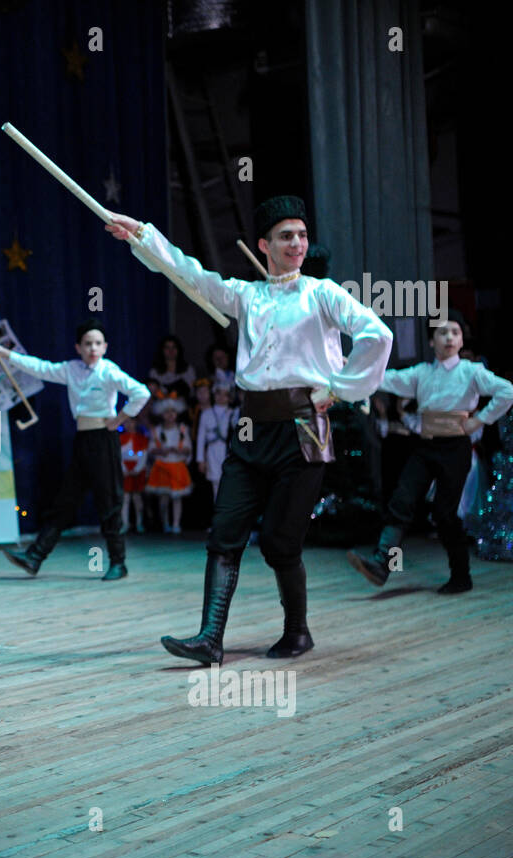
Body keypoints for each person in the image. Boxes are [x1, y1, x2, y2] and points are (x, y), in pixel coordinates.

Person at [105, 195, 393, 662]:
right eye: (285, 236)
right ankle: (209, 639)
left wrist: (340, 388)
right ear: (265, 244)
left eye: (301, 235)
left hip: (308, 424)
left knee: (282, 540)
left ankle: (297, 632)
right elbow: (190, 274)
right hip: (252, 424)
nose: (296, 243)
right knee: (224, 530)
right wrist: (142, 235)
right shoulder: (247, 295)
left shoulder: (323, 293)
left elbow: (377, 334)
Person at [346, 316, 513, 594]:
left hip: (455, 449)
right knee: (402, 500)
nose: (449, 338)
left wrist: (481, 420)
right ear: (431, 341)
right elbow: (384, 379)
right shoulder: (421, 373)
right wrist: (353, 367)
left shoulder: (471, 372)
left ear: (461, 340)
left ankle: (461, 575)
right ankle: (381, 564)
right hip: (426, 447)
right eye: (442, 333)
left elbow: (508, 391)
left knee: (444, 514)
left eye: (454, 332)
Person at [0, 318, 150, 581]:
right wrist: (5, 354)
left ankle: (118, 563)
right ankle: (35, 556)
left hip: (103, 439)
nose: (92, 348)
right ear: (78, 347)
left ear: (105, 346)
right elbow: (40, 368)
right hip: (83, 441)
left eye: (98, 343)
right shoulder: (70, 369)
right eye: (87, 344)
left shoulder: (109, 371)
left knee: (109, 502)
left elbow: (140, 393)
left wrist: (120, 419)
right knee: (65, 502)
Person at [145, 396, 192, 533]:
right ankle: (165, 523)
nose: (170, 415)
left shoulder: (182, 429)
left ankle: (176, 523)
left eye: (173, 412)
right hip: (162, 465)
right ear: (162, 414)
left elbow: (188, 447)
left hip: (177, 464)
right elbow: (151, 449)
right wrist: (161, 450)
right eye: (167, 412)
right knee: (163, 498)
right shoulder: (157, 430)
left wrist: (179, 450)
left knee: (177, 497)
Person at [196, 381, 237, 501]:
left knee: (229, 484)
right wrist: (200, 460)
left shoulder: (234, 413)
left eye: (225, 394)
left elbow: (243, 435)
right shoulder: (206, 413)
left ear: (229, 397)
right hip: (212, 452)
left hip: (228, 452)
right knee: (215, 485)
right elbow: (200, 438)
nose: (221, 397)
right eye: (218, 393)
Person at [120, 407, 152, 533]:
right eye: (126, 421)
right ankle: (125, 523)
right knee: (125, 498)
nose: (129, 424)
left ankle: (139, 522)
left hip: (138, 471)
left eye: (131, 421)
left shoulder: (142, 438)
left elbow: (143, 455)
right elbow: (118, 456)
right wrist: (124, 469)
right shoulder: (120, 439)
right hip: (125, 471)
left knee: (137, 498)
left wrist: (137, 469)